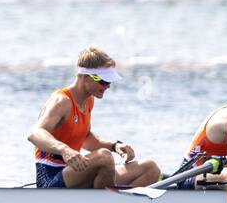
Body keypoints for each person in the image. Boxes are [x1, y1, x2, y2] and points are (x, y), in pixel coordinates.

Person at [27, 47, 160, 189]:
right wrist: (64, 150)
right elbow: (34, 133)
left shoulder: (89, 101)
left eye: (109, 81)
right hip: (51, 177)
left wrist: (115, 146)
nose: (108, 86)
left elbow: (86, 138)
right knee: (104, 157)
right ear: (85, 77)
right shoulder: (62, 101)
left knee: (150, 168)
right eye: (103, 81)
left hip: (76, 172)